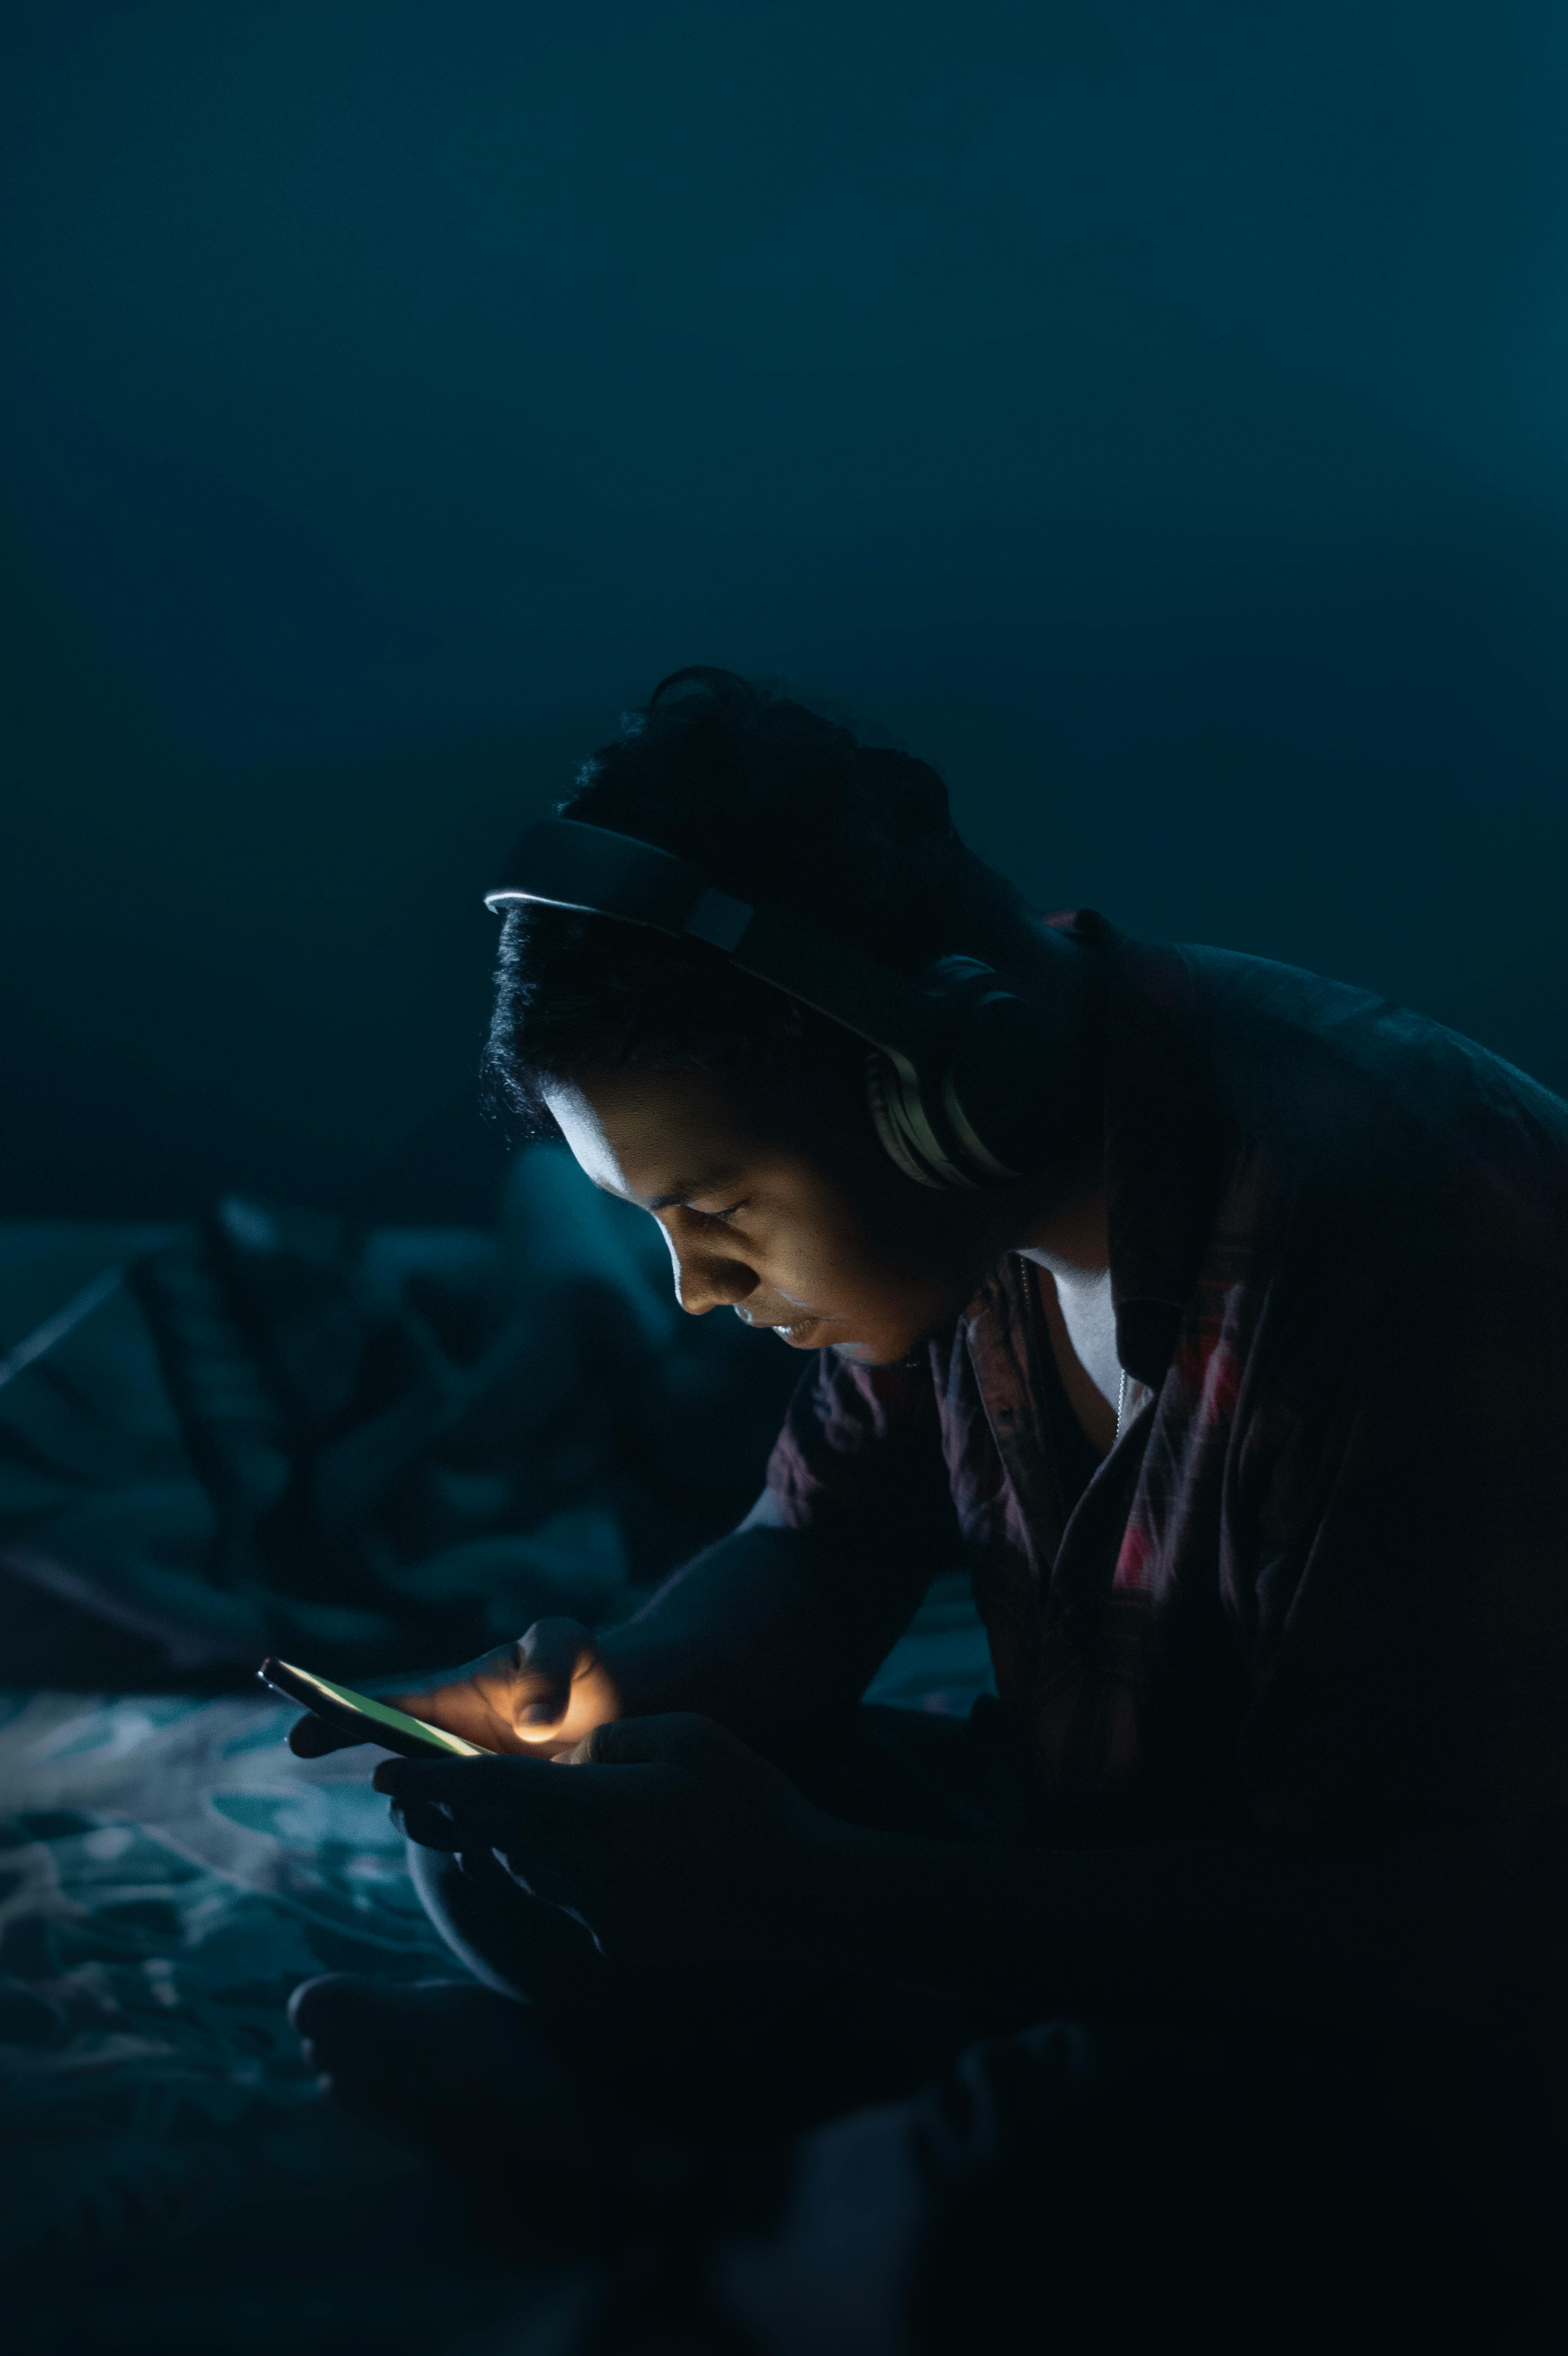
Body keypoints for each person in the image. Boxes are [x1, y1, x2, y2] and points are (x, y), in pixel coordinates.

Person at [289, 669, 1568, 2347]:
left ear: (928, 1078)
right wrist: (577, 1719)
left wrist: (810, 1888)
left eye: (721, 1206)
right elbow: (808, 1555)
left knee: (1038, 2182)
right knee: (516, 1870)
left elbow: (1416, 1932)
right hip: (1130, 1857)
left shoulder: (1404, 1234)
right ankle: (809, 2148)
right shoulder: (967, 1192)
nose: (691, 1287)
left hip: (1430, 1986)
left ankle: (723, 2188)